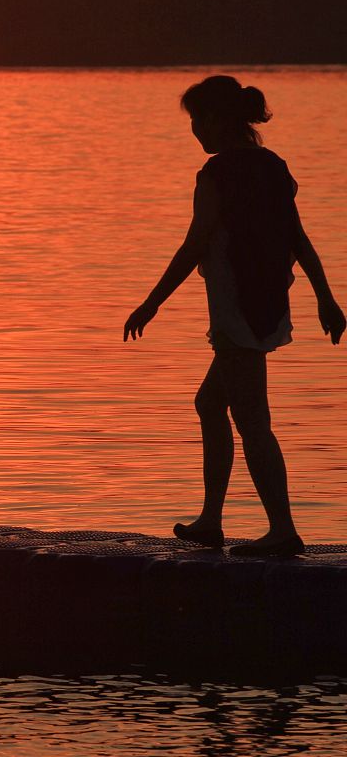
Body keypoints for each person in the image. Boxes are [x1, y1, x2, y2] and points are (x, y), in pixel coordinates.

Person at [123, 75, 346, 557]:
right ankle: (210, 520)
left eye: (197, 120)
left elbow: (195, 244)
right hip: (266, 303)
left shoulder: (216, 173)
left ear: (220, 120)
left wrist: (152, 301)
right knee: (210, 404)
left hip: (234, 309)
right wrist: (326, 299)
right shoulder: (272, 166)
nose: (194, 130)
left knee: (253, 422)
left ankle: (283, 530)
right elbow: (298, 239)